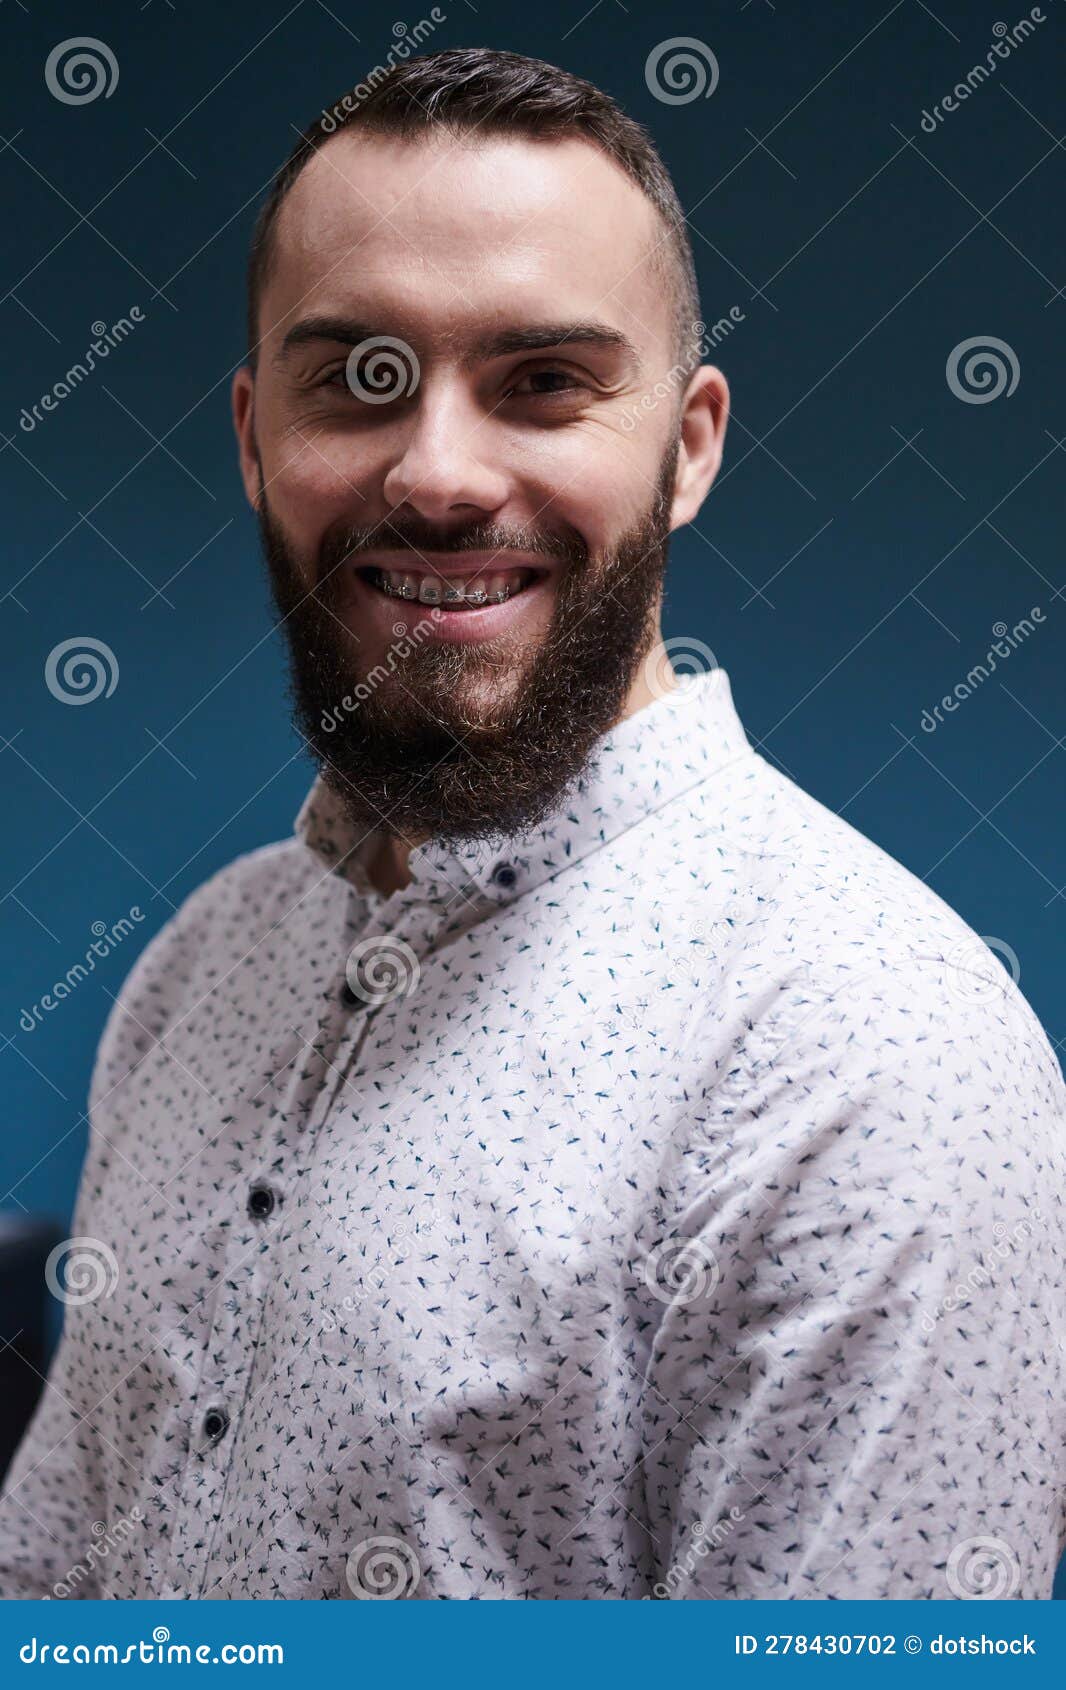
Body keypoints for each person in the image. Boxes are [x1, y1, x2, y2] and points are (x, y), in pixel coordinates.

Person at [1, 47, 1063, 1602]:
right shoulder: (201, 968)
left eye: (544, 382)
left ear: (686, 447)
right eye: (353, 376)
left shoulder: (877, 1060)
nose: (437, 474)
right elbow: (49, 1587)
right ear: (250, 437)